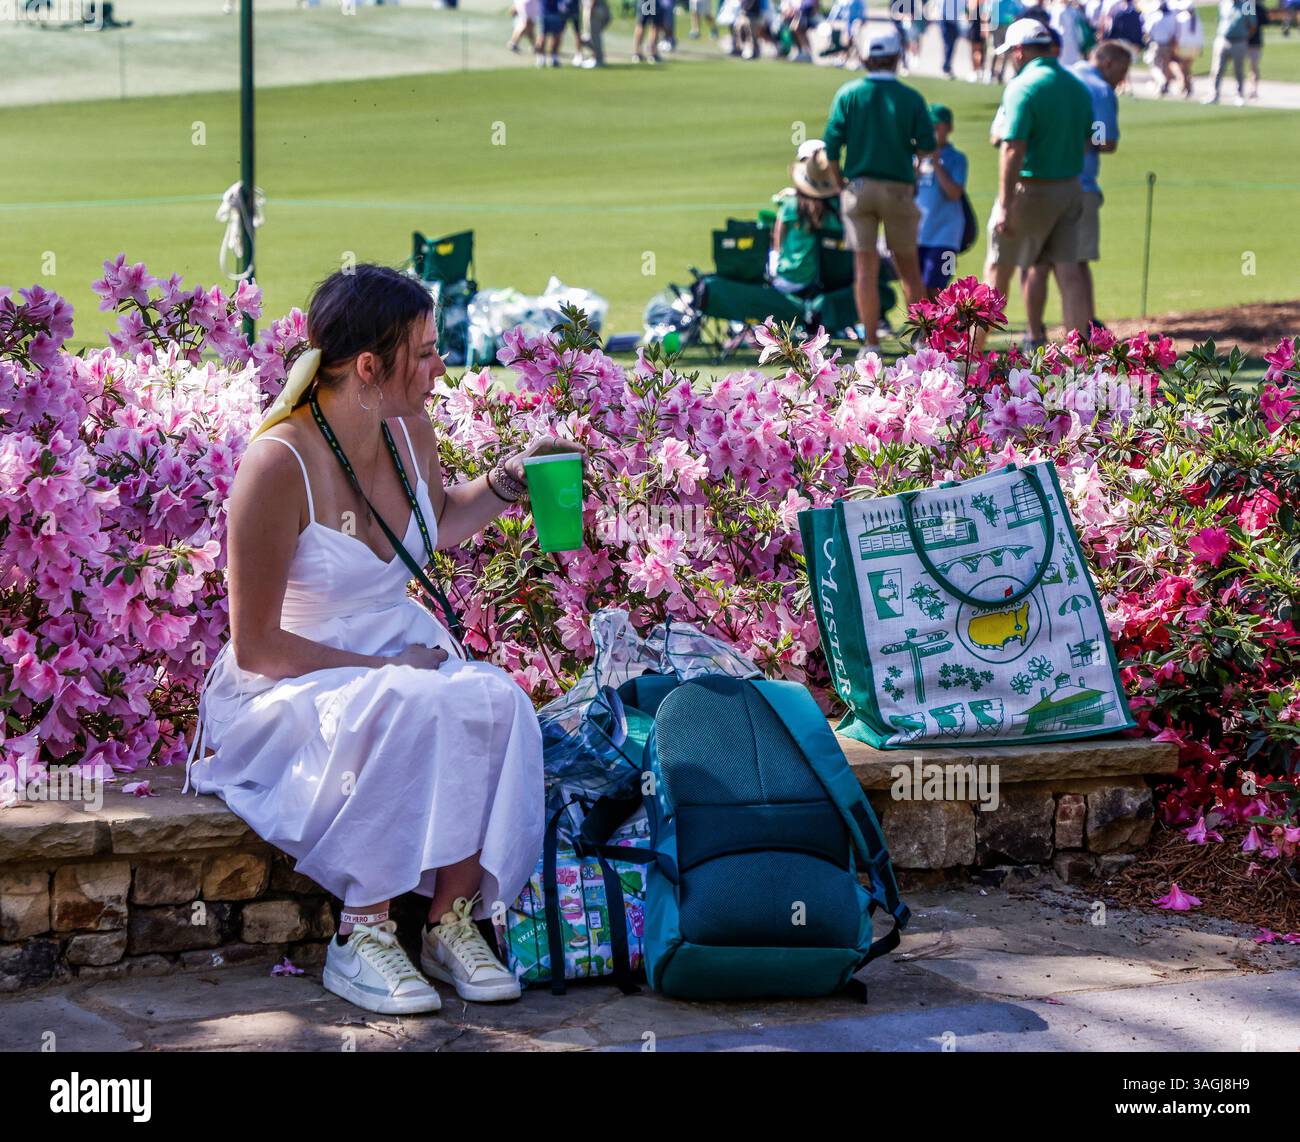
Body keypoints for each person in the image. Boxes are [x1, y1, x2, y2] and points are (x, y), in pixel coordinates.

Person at [185, 266, 583, 1016]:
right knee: (404, 698)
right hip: (290, 683)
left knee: (494, 699)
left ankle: (447, 923)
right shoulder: (277, 464)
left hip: (398, 654)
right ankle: (361, 934)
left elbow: (429, 529)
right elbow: (256, 649)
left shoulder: (409, 432)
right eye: (426, 353)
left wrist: (507, 482)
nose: (441, 368)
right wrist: (383, 665)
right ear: (369, 366)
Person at [822, 25, 936, 356]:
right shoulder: (911, 97)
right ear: (897, 56)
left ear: (865, 57)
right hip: (898, 188)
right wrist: (913, 171)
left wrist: (838, 181)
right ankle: (920, 341)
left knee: (864, 268)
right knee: (908, 268)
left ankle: (870, 343)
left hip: (858, 189)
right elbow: (927, 148)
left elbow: (831, 147)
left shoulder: (848, 94)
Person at [981, 17, 1093, 348]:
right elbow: (1087, 140)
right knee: (1069, 274)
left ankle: (969, 360)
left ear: (1019, 52)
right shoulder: (1075, 85)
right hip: (1071, 188)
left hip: (1030, 189)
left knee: (997, 271)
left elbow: (1013, 147)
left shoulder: (1023, 87)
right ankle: (1081, 363)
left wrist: (1005, 203)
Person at [1023, 39, 1129, 341]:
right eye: (1121, 70)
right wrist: (1076, 139)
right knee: (1074, 266)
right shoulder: (1099, 89)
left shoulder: (1063, 77)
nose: (1122, 79)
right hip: (1077, 184)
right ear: (1107, 62)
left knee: (1037, 264)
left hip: (1036, 182)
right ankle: (1080, 338)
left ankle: (1033, 335)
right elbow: (1105, 140)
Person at [769, 141, 843, 294]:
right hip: (835, 279)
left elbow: (778, 242)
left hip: (793, 279)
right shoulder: (840, 205)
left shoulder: (791, 204)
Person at [915, 104, 969, 297]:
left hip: (946, 237)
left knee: (936, 288)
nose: (933, 131)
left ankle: (939, 327)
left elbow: (954, 193)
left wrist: (936, 162)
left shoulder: (956, 158)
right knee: (915, 288)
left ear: (948, 127)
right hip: (917, 234)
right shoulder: (916, 158)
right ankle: (921, 327)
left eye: (937, 126)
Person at [1204, 0, 1257, 104]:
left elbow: (1252, 25)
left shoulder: (1247, 5)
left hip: (1239, 41)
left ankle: (1239, 95)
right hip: (1222, 39)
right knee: (1217, 69)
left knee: (1238, 70)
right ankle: (1214, 95)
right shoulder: (1224, 3)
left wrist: (1244, 37)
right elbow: (1220, 20)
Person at [1144, 0, 1181, 95]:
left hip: (1157, 44)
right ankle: (1164, 87)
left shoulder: (1155, 17)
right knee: (1165, 66)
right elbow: (1174, 33)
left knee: (1155, 66)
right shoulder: (1171, 18)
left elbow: (1148, 32)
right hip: (1168, 45)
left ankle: (1162, 81)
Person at [1171, 0, 1203, 96]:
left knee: (1183, 68)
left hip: (1184, 46)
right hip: (1195, 47)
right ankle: (1186, 86)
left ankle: (1187, 87)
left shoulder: (1181, 18)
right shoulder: (1196, 20)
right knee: (1186, 68)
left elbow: (1177, 34)